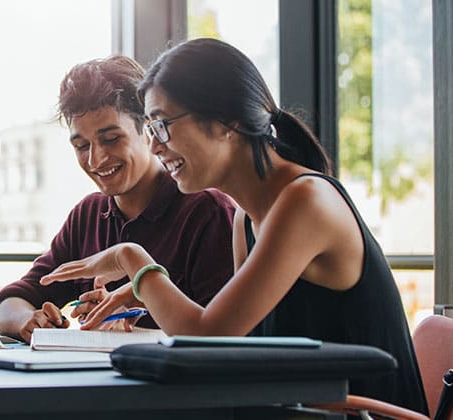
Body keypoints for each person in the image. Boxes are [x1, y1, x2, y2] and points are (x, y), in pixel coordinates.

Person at [41, 38, 427, 413]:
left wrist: (133, 260)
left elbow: (207, 337)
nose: (155, 146)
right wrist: (143, 294)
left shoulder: (305, 201)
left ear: (227, 121)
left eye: (162, 125)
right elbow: (235, 345)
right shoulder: (247, 216)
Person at [0, 55, 236, 343]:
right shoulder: (88, 215)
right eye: (82, 146)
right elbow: (10, 305)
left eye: (110, 139)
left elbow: (221, 337)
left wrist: (137, 318)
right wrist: (28, 321)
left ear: (149, 130)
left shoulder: (207, 212)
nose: (96, 159)